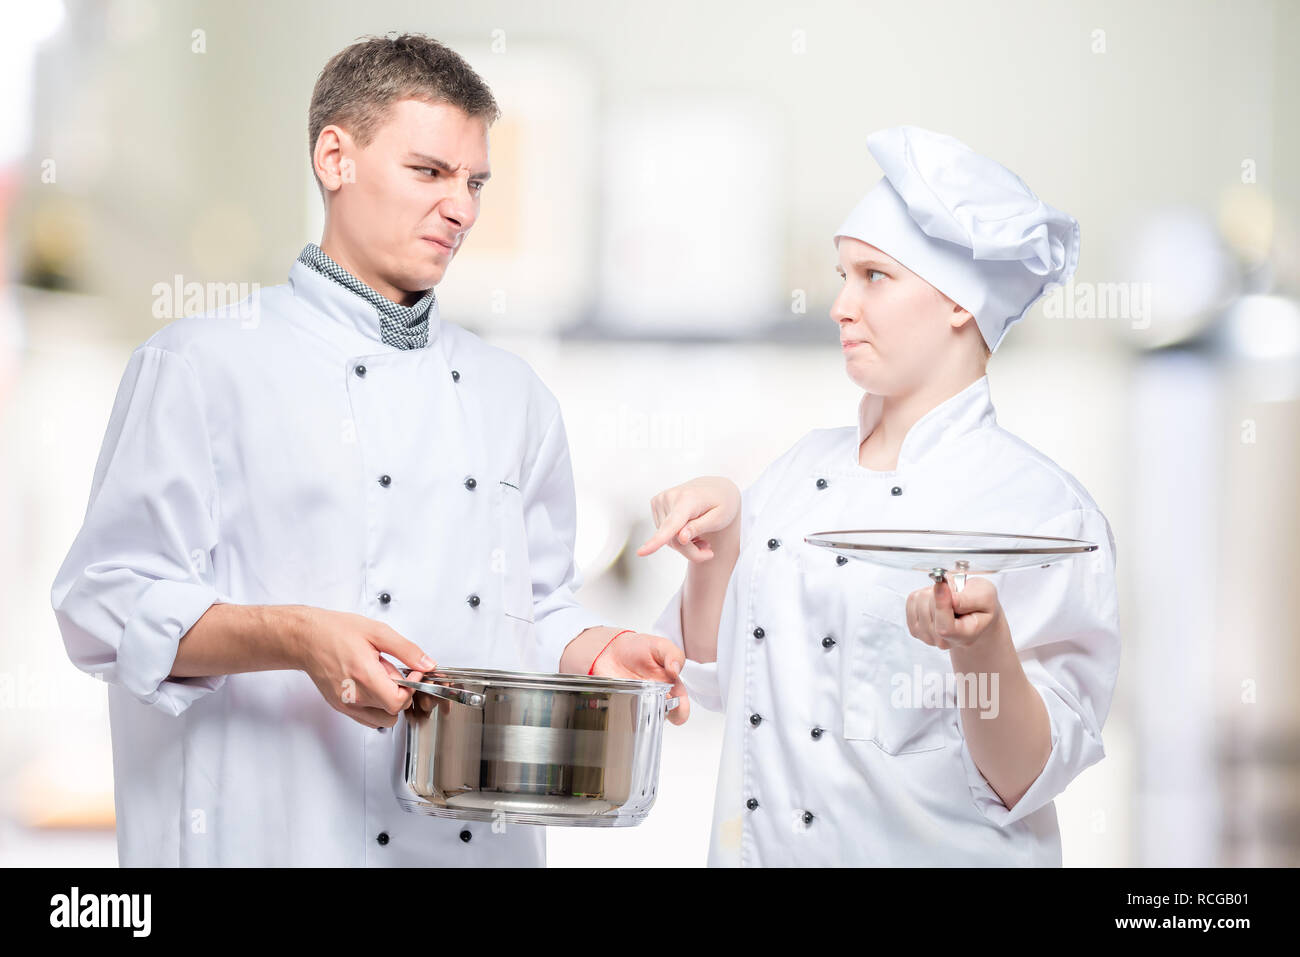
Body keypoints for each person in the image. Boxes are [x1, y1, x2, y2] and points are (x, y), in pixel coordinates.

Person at [50, 33, 687, 868]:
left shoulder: (512, 394)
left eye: (476, 182)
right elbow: (103, 604)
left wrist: (591, 649)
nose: (460, 208)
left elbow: (531, 607)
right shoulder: (202, 364)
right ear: (335, 157)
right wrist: (294, 636)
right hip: (272, 834)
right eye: (429, 172)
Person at [638, 125, 1120, 866]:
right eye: (841, 275)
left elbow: (1029, 772)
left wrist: (980, 647)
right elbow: (713, 678)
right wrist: (720, 543)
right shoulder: (798, 474)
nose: (839, 304)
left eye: (873, 276)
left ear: (959, 303)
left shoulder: (1043, 512)